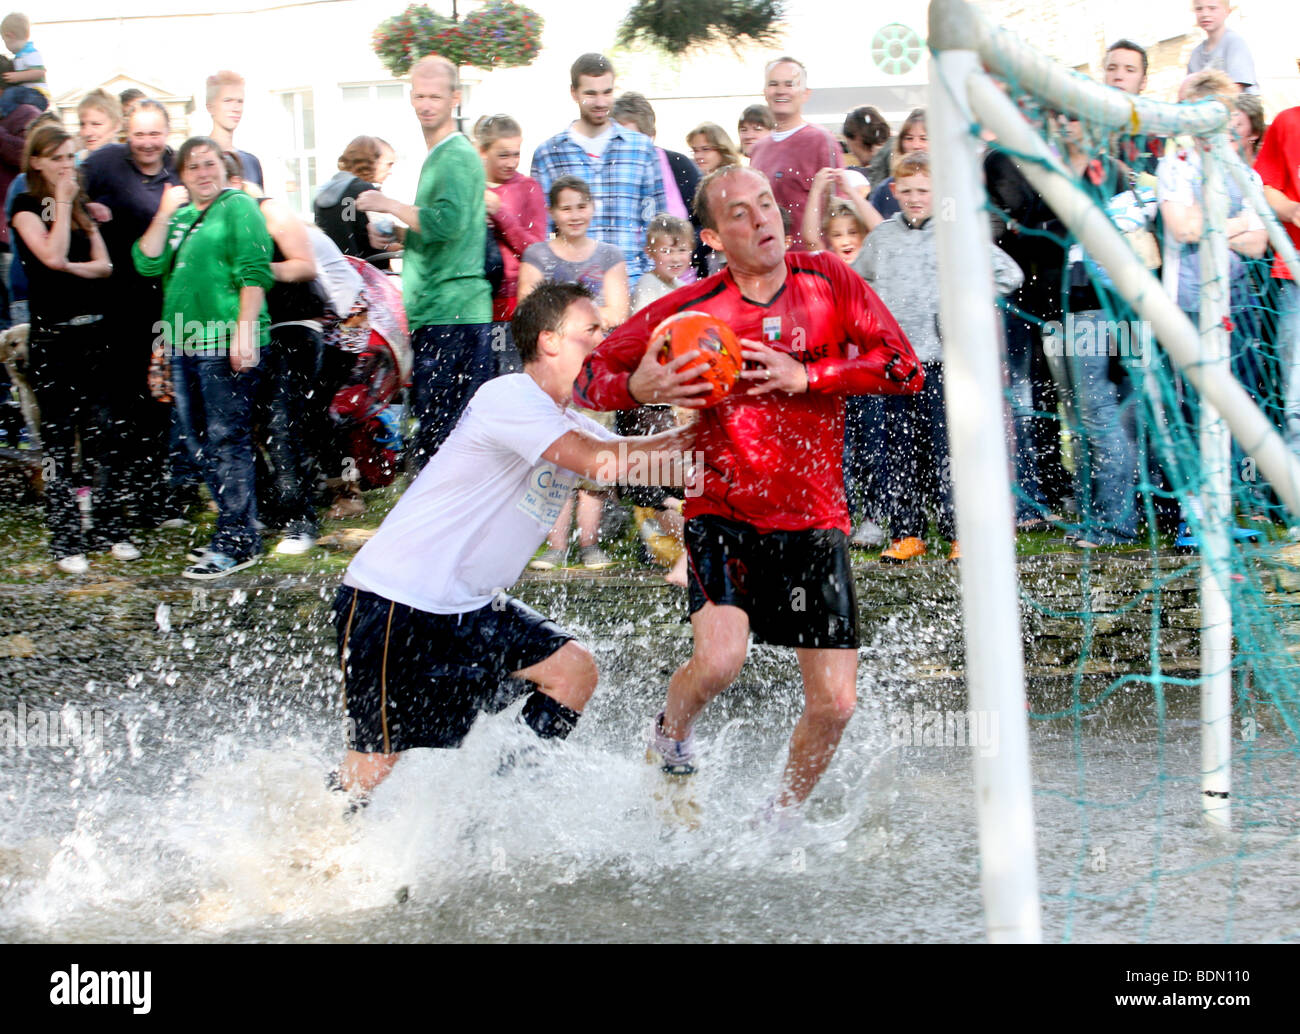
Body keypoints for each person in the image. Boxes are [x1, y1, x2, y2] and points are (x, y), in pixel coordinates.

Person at [576, 165, 923, 814]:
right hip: (724, 511)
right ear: (711, 235)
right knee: (719, 663)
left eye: (766, 203)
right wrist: (638, 389)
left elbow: (903, 368)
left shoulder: (829, 280)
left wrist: (811, 376)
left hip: (814, 520)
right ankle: (671, 733)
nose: (762, 218)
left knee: (836, 704)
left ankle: (779, 819)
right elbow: (589, 377)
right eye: (739, 212)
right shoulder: (691, 307)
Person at [331, 281, 695, 800]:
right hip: (394, 604)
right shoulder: (508, 397)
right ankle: (315, 857)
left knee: (572, 673)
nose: (604, 340)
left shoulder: (566, 422)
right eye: (590, 330)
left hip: (468, 608)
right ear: (548, 341)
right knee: (371, 770)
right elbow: (603, 462)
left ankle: (499, 807)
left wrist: (721, 434)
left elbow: (649, 466)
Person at [853, 151, 1022, 563]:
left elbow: (1009, 274)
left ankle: (958, 533)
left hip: (944, 364)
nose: (914, 198)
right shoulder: (882, 238)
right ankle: (907, 532)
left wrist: (964, 306)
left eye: (923, 190)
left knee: (947, 451)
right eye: (906, 190)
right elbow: (855, 281)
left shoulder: (956, 233)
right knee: (899, 451)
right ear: (892, 191)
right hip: (895, 365)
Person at [133, 136, 273, 579]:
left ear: (224, 167)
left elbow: (255, 270)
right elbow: (146, 262)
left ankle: (235, 540)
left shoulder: (238, 207)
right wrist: (163, 211)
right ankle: (240, 528)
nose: (202, 173)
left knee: (226, 441)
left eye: (209, 164)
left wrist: (244, 333)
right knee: (196, 445)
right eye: (192, 167)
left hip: (222, 342)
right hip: (183, 345)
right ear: (181, 176)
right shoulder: (181, 217)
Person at [355, 55, 493, 472]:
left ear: (455, 97)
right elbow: (453, 231)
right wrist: (400, 236)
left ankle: (442, 526)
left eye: (435, 95)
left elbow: (445, 222)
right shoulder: (446, 154)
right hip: (451, 309)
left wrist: (387, 203)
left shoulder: (451, 155)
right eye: (419, 95)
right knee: (449, 431)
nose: (426, 104)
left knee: (442, 434)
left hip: (450, 313)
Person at [10, 124, 137, 573]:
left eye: (71, 157)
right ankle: (66, 539)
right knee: (58, 444)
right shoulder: (25, 207)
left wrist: (72, 265)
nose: (69, 165)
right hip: (53, 338)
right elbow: (49, 255)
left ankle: (108, 528)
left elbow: (103, 266)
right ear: (38, 162)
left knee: (107, 434)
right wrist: (62, 206)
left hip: (95, 333)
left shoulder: (83, 208)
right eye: (59, 158)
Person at [82, 100, 185, 528]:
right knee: (115, 409)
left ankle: (153, 502)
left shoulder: (180, 170)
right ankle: (108, 508)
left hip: (165, 307)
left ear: (167, 133)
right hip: (115, 307)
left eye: (155, 134)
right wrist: (87, 211)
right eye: (139, 134)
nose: (147, 143)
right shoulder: (104, 162)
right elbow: (62, 193)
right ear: (127, 133)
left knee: (159, 407)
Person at [518, 174, 628, 571]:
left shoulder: (609, 256)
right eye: (566, 207)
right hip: (551, 376)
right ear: (552, 212)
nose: (575, 214)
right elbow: (527, 313)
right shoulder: (537, 255)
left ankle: (590, 545)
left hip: (595, 373)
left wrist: (568, 324)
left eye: (581, 205)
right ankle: (554, 545)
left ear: (592, 207)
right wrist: (585, 321)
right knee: (553, 460)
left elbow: (618, 313)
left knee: (594, 461)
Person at [225, 152, 322, 556]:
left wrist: (259, 268)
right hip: (247, 331)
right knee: (244, 427)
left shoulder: (269, 211)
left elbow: (306, 266)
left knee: (283, 424)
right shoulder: (216, 220)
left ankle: (302, 521)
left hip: (292, 325)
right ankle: (271, 507)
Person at [530, 53, 666, 288]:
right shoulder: (549, 153)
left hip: (631, 281)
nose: (601, 102)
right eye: (590, 94)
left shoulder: (641, 148)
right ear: (574, 93)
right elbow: (541, 229)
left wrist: (651, 277)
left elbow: (657, 221)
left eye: (607, 92)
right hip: (571, 286)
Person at [747, 57, 843, 252]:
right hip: (770, 262)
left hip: (811, 262)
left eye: (789, 84)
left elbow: (839, 207)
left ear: (805, 94)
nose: (781, 90)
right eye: (773, 84)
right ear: (765, 92)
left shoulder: (821, 140)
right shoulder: (758, 149)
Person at [612, 92, 703, 282]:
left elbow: (704, 222)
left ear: (651, 137)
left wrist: (680, 251)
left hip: (678, 284)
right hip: (622, 281)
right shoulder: (606, 171)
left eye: (632, 138)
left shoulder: (679, 166)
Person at [476, 114, 546, 357]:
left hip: (514, 302)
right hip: (473, 303)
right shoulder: (469, 187)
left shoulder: (528, 188)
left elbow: (536, 250)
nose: (511, 162)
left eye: (516, 154)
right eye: (503, 155)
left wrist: (500, 214)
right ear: (483, 151)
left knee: (510, 378)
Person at [1256, 105, 1300, 454]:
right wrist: (1292, 210)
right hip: (1294, 274)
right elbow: (1264, 187)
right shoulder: (1288, 122)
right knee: (1296, 396)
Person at [313, 135, 397, 266]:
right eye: (389, 164)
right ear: (372, 161)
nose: (390, 171)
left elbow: (347, 225)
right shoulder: (367, 192)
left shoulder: (324, 192)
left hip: (332, 271)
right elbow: (385, 240)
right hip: (365, 272)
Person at [801, 167, 880, 256]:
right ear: (828, 239)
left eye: (853, 232)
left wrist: (850, 191)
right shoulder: (830, 262)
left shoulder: (872, 256)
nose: (845, 242)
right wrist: (816, 190)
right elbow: (812, 241)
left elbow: (881, 230)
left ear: (865, 234)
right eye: (837, 235)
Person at [206, 70, 264, 190]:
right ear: (210, 106)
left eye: (239, 101)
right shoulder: (199, 158)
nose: (235, 108)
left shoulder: (251, 162)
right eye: (227, 101)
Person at [1187, 0, 1257, 94]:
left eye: (1212, 8)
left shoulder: (1234, 43)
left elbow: (1235, 90)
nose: (1205, 14)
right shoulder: (1195, 54)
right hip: (1206, 105)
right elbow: (1189, 90)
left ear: (1227, 12)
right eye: (1199, 9)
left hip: (1237, 105)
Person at [868, 109, 927, 220]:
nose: (916, 145)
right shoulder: (886, 188)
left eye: (924, 139)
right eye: (909, 138)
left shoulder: (950, 185)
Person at [0, 13, 48, 117]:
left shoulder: (30, 53)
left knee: (10, 93)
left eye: (5, 41)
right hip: (26, 94)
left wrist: (17, 76)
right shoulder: (20, 56)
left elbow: (39, 72)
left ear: (10, 36)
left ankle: (3, 113)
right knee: (12, 94)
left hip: (37, 94)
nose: (6, 46)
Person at [842, 105, 892, 190]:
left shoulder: (882, 169)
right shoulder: (892, 154)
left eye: (849, 145)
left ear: (857, 138)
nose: (851, 152)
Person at [77, 90, 122, 164]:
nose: (87, 133)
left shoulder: (135, 163)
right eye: (82, 124)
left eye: (96, 124)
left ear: (116, 125)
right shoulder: (72, 164)